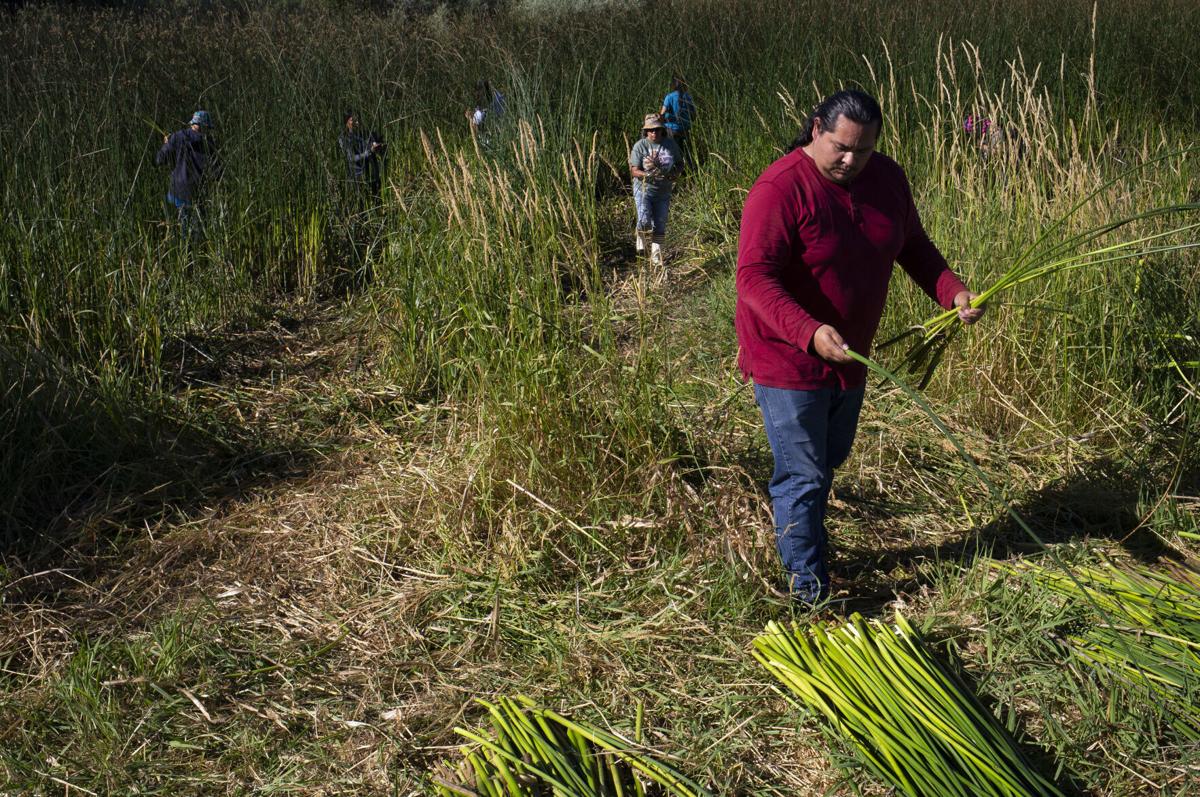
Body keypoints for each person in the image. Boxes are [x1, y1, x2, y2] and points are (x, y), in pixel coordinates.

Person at [735, 90, 985, 605]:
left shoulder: (887, 179)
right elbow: (753, 279)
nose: (851, 160)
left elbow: (912, 245)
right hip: (788, 357)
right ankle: (810, 590)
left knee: (829, 460)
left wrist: (952, 292)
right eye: (841, 147)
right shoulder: (779, 189)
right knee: (802, 474)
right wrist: (808, 331)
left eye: (863, 150)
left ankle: (809, 543)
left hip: (850, 356)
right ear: (815, 130)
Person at [156, 110, 220, 242]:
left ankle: (182, 252)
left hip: (176, 192)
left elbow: (160, 160)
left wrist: (167, 144)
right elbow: (216, 173)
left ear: (193, 123)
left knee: (178, 227)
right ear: (206, 126)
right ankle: (193, 254)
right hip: (197, 192)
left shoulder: (177, 136)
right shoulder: (210, 143)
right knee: (197, 229)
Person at [628, 113, 683, 267]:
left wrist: (675, 174)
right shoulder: (640, 146)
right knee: (644, 220)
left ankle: (656, 255)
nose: (654, 133)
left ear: (662, 130)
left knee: (660, 223)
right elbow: (633, 170)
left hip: (663, 191)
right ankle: (640, 233)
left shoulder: (670, 144)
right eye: (650, 130)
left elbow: (680, 163)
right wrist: (647, 175)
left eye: (657, 130)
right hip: (644, 189)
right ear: (646, 132)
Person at [339, 111, 386, 204]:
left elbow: (374, 146)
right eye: (353, 120)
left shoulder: (366, 133)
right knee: (361, 204)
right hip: (357, 177)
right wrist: (369, 152)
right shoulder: (344, 138)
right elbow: (351, 158)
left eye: (358, 120)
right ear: (346, 122)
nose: (357, 123)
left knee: (377, 201)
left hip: (372, 175)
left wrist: (378, 146)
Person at [659, 75, 695, 163]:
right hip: (685, 130)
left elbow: (662, 114)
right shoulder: (689, 97)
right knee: (685, 153)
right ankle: (686, 170)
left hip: (671, 130)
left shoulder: (669, 97)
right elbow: (694, 115)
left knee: (670, 153)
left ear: (673, 85)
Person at [466, 79, 506, 145]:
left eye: (479, 91)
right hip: (486, 143)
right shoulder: (479, 110)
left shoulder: (498, 100)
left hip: (498, 140)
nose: (477, 95)